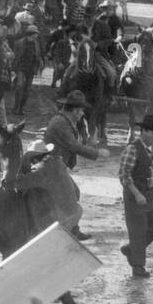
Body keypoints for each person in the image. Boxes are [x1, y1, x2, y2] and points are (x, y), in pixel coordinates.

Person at [118, 114, 153, 278]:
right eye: (152, 132)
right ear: (142, 131)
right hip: (135, 197)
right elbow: (124, 175)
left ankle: (131, 250)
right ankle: (138, 267)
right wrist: (136, 194)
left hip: (152, 195)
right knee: (137, 231)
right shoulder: (132, 149)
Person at [43, 90, 99, 241]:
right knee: (72, 194)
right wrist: (97, 153)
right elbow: (73, 146)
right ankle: (66, 230)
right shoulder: (60, 123)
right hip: (51, 168)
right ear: (74, 110)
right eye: (81, 110)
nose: (82, 113)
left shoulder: (65, 121)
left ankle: (71, 228)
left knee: (73, 193)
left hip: (57, 167)